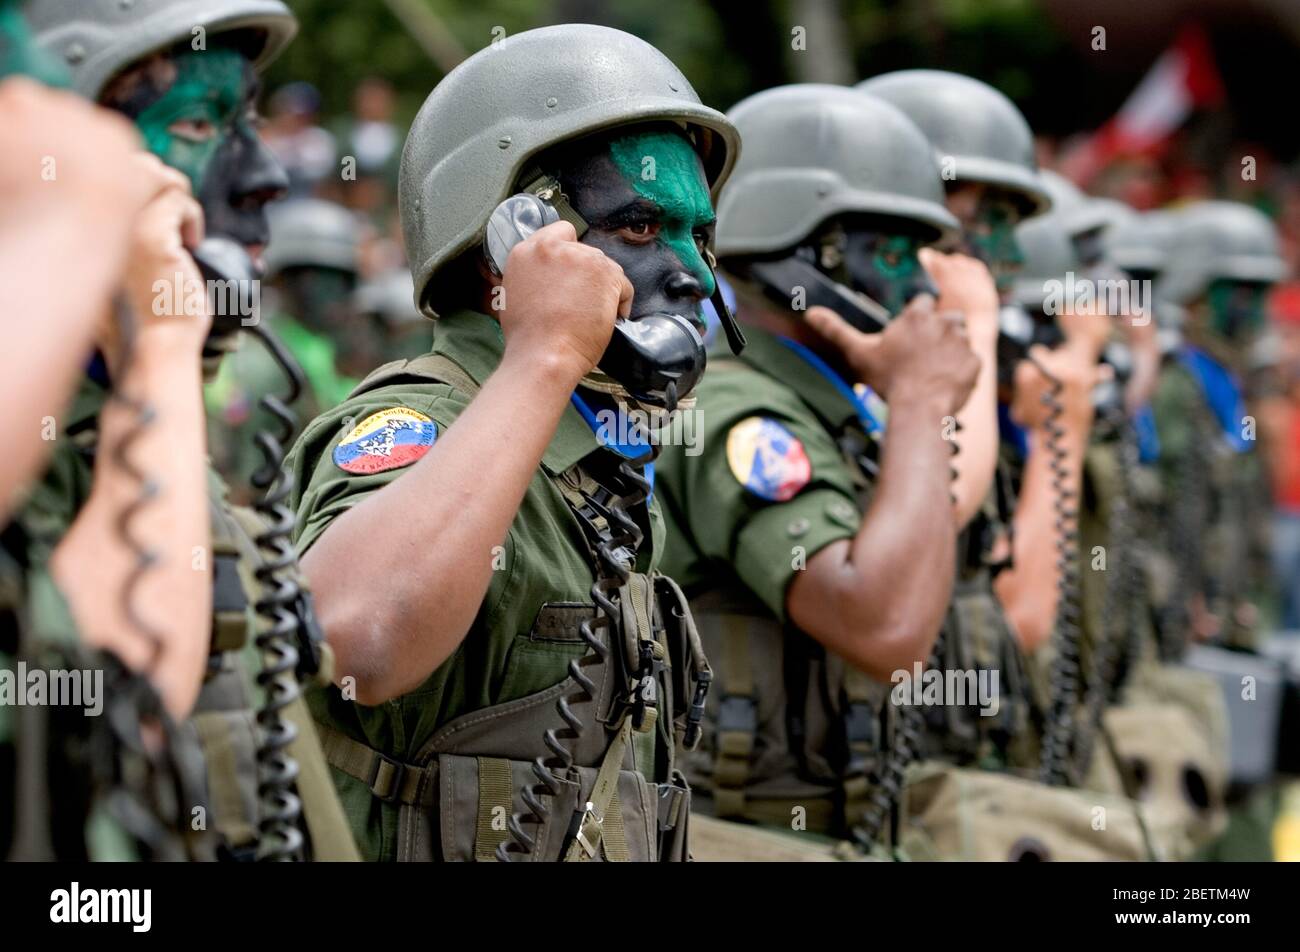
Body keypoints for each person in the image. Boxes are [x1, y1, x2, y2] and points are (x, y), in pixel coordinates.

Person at [285, 24, 737, 862]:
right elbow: (357, 637)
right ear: (510, 245)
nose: (695, 276)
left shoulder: (601, 464)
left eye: (697, 236)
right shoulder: (420, 425)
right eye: (641, 228)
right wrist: (545, 353)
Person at [30, 0, 358, 861]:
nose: (264, 178)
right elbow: (116, 708)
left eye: (247, 120)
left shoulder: (147, 419)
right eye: (203, 121)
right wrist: (159, 336)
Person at [653, 83, 983, 856]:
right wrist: (922, 399)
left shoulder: (824, 409)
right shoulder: (741, 415)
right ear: (800, 253)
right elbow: (885, 626)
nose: (927, 290)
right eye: (895, 255)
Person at [207, 198, 366, 499]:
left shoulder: (312, 351)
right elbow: (245, 488)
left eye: (342, 280)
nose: (333, 295)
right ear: (281, 280)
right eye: (317, 279)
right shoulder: (266, 363)